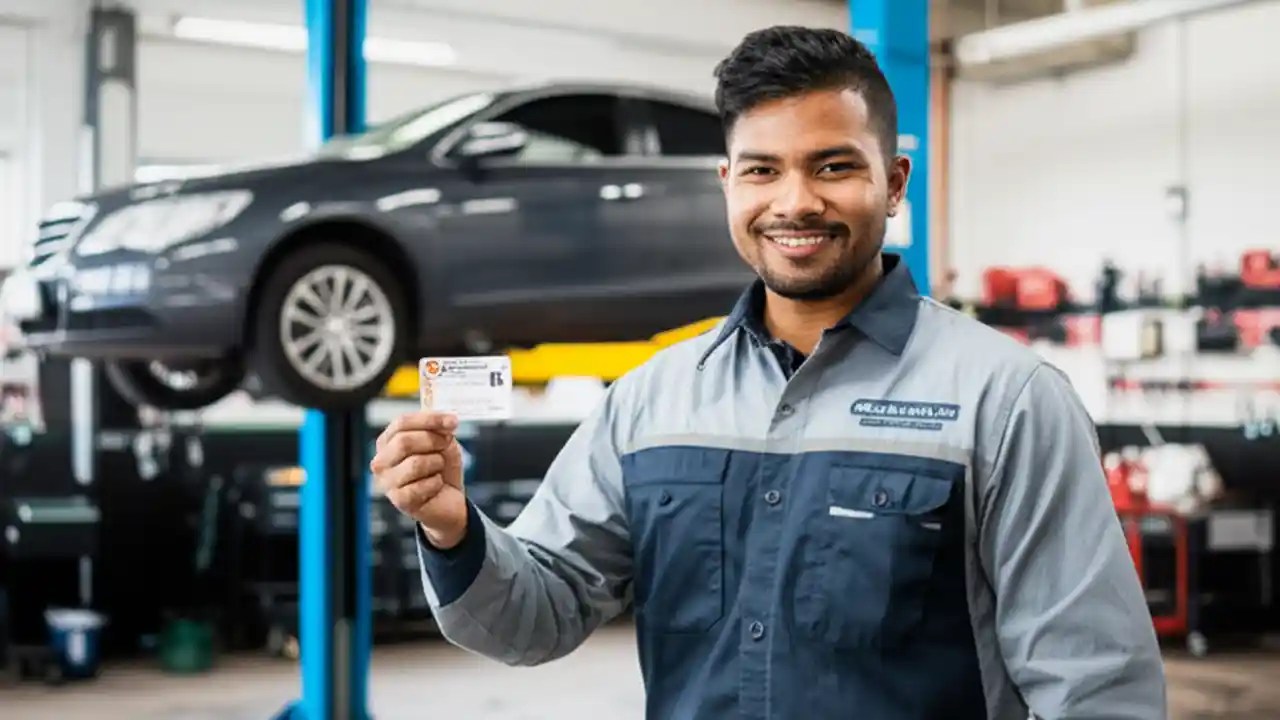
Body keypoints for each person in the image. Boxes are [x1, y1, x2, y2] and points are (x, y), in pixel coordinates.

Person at [371, 25, 1166, 720]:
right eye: (762, 171)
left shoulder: (1006, 402)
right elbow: (534, 619)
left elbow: (1096, 689)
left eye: (832, 167)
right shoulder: (652, 401)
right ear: (727, 184)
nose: (795, 202)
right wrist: (451, 526)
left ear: (892, 184)